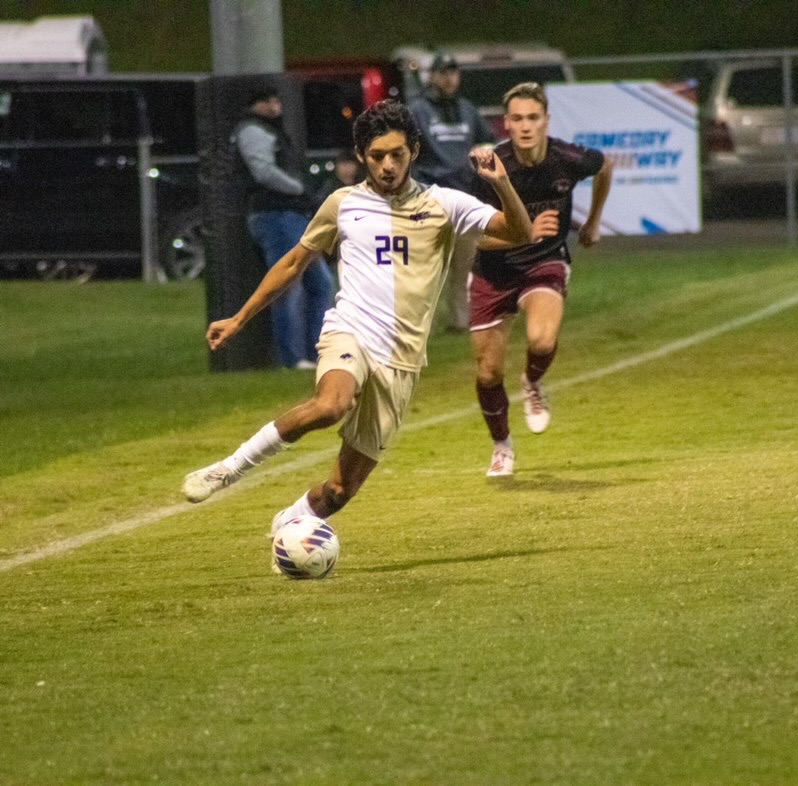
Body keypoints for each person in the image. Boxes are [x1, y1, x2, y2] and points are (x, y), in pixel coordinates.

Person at [182, 99, 549, 558]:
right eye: (377, 156)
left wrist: (502, 184)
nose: (388, 165)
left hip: (402, 360)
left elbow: (520, 232)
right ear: (361, 156)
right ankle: (229, 468)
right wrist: (239, 317)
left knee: (338, 491)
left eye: (397, 154)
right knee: (331, 404)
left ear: (413, 151)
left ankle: (291, 524)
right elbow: (295, 260)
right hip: (350, 331)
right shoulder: (343, 204)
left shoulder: (443, 204)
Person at [468, 82, 613, 477]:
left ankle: (532, 382)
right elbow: (472, 235)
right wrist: (523, 231)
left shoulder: (567, 158)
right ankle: (502, 446)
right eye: (517, 118)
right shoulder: (490, 168)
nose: (526, 126)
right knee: (487, 373)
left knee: (542, 339)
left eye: (534, 118)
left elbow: (605, 166)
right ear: (506, 124)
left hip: (544, 263)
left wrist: (594, 222)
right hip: (493, 271)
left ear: (547, 121)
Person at [232, 88, 333, 369]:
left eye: (277, 100)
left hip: (290, 215)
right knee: (287, 285)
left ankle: (316, 352)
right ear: (256, 104)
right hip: (274, 214)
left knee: (319, 283)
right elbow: (263, 172)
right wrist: (298, 189)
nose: (276, 106)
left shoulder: (267, 129)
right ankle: (292, 359)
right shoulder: (253, 130)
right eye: (269, 101)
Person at [409, 52, 496, 333]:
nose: (448, 78)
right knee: (428, 266)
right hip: (430, 196)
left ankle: (460, 321)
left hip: (465, 196)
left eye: (453, 73)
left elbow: (489, 140)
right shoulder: (417, 110)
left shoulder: (467, 109)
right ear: (432, 76)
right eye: (443, 72)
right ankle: (424, 326)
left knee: (464, 265)